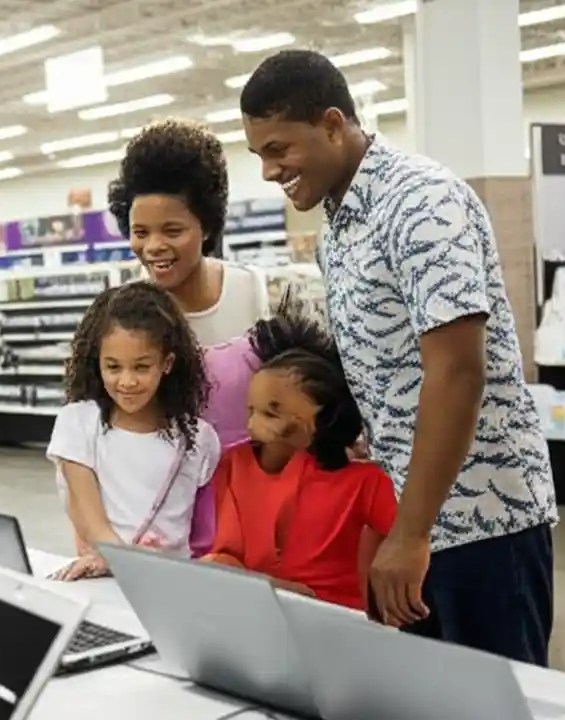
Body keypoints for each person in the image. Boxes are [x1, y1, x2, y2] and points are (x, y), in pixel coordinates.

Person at [239, 49, 558, 665]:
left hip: (479, 522)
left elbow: (459, 371)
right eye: (260, 155)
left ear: (333, 124)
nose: (269, 170)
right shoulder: (339, 228)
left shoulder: (422, 202)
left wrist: (412, 534)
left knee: (494, 705)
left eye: (279, 149)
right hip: (410, 521)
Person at [109, 118, 271, 554]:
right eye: (140, 233)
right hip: (162, 522)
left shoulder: (256, 293)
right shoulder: (125, 314)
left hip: (257, 513)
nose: (153, 247)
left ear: (207, 226)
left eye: (173, 230)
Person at [204, 312, 396, 612]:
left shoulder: (364, 481)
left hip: (337, 625)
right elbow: (226, 555)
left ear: (321, 418)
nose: (253, 423)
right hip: (255, 612)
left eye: (271, 413)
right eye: (251, 409)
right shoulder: (234, 464)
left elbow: (410, 541)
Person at [46, 282, 221, 581]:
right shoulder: (78, 423)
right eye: (113, 367)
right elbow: (92, 522)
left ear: (166, 364)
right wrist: (121, 560)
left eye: (141, 367)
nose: (127, 381)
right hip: (106, 580)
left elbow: (205, 536)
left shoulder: (199, 439)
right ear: (97, 363)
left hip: (172, 584)